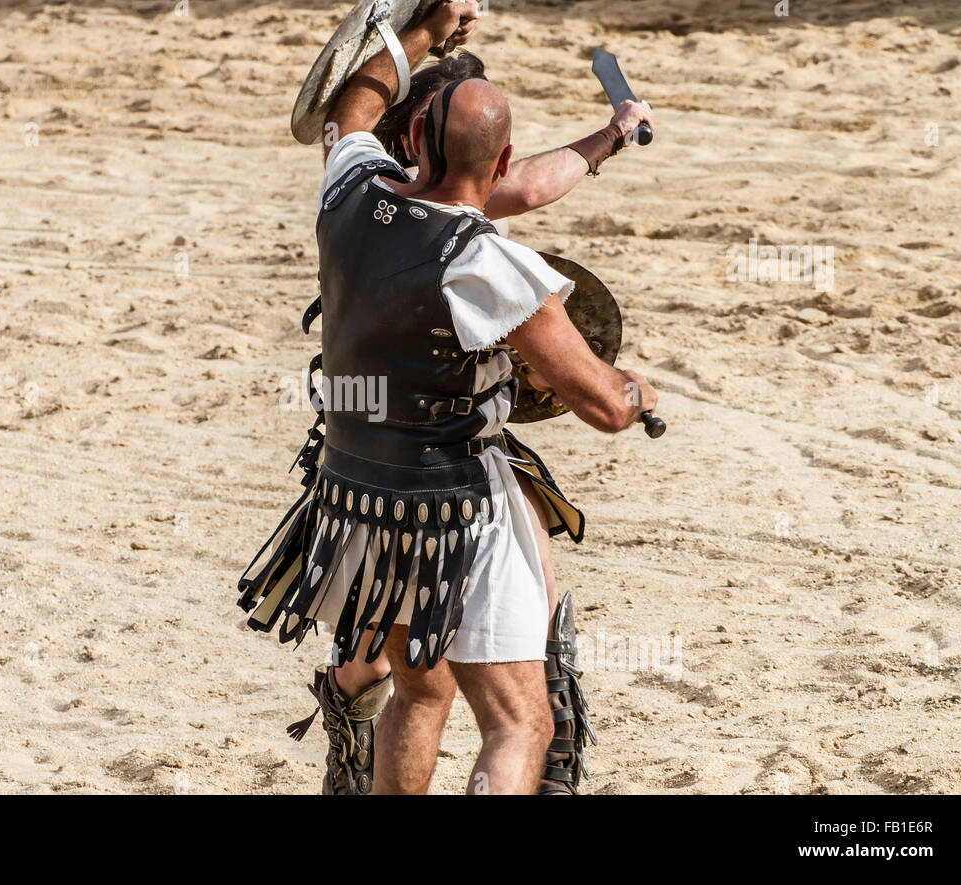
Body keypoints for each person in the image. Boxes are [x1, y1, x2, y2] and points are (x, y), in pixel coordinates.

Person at [237, 0, 657, 794]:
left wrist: (428, 22)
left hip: (357, 490)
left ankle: (353, 731)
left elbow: (353, 101)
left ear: (410, 139)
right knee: (518, 722)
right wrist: (638, 390)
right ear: (499, 166)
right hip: (451, 505)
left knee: (423, 685)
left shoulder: (351, 189)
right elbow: (601, 404)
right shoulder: (492, 266)